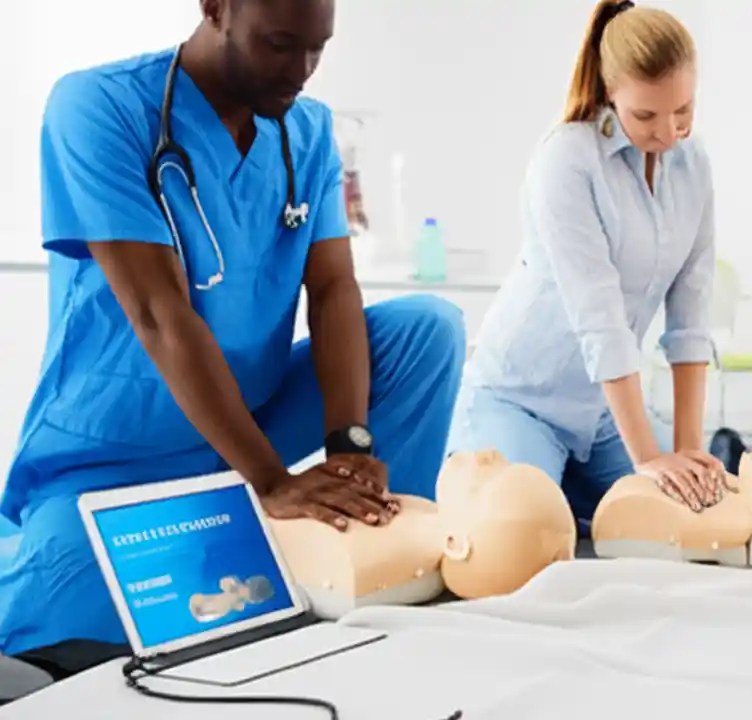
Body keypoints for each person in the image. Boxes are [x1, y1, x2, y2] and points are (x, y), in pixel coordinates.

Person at [0, 0, 465, 669]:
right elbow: (160, 314)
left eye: (317, 48)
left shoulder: (306, 131)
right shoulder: (98, 107)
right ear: (215, 7)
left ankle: (381, 552)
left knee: (428, 330)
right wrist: (273, 480)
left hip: (255, 417)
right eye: (279, 44)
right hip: (119, 453)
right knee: (71, 623)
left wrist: (349, 438)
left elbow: (333, 289)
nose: (300, 71)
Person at [445, 0, 726, 526]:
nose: (669, 132)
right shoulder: (567, 161)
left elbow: (691, 315)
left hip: (602, 414)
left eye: (683, 110)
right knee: (519, 529)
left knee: (701, 513)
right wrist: (647, 459)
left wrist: (687, 454)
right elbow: (601, 321)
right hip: (519, 398)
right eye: (646, 115)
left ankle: (581, 496)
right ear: (610, 91)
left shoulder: (693, 162)